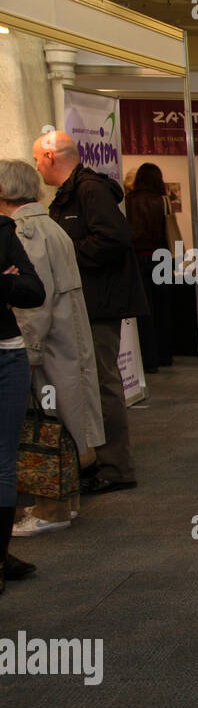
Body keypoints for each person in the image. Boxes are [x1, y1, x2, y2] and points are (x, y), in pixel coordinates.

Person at [34, 129, 146, 495]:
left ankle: (116, 467)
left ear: (51, 156)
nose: (38, 168)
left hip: (99, 303)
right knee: (94, 383)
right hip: (90, 303)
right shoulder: (74, 192)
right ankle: (102, 461)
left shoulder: (88, 190)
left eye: (38, 160)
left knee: (103, 383)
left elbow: (114, 237)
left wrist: (66, 257)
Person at [0, 161, 105, 537]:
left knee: (46, 428)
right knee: (64, 424)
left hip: (47, 348)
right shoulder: (49, 226)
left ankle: (51, 508)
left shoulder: (26, 232)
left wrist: (24, 354)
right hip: (66, 343)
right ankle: (65, 504)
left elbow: (33, 304)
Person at [0, 195, 47, 590]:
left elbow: (33, 290)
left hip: (8, 355)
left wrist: (8, 281)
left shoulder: (3, 230)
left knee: (4, 460)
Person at [125, 163, 173, 373]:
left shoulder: (128, 202)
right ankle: (165, 354)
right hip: (160, 258)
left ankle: (148, 359)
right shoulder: (162, 201)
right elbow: (170, 232)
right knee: (163, 308)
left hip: (137, 259)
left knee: (144, 311)